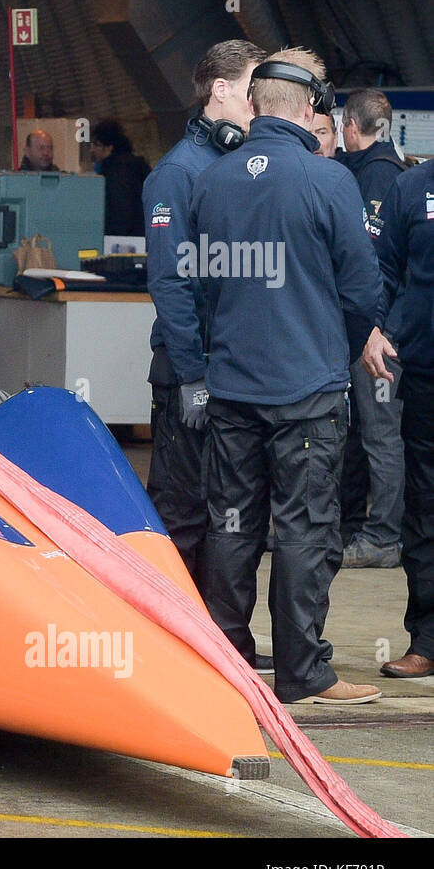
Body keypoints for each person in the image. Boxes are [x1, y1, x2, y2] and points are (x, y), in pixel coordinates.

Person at [190, 47, 381, 705]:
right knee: (304, 527)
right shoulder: (328, 181)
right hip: (307, 387)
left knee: (232, 525)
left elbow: (203, 286)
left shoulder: (212, 180)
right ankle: (304, 672)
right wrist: (340, 346)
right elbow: (362, 290)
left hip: (234, 385)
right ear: (310, 108)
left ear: (253, 104)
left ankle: (227, 660)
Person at [142, 39, 265, 600]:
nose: (257, 106)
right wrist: (192, 376)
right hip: (188, 373)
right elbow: (171, 282)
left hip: (234, 368)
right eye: (249, 93)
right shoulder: (178, 174)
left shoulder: (237, 165)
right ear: (220, 90)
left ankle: (223, 638)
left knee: (231, 515)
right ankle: (178, 638)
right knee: (182, 513)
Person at [362, 154, 434, 677]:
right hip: (426, 372)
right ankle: (427, 641)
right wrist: (375, 328)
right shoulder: (411, 187)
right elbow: (383, 268)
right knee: (425, 511)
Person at [337, 89, 408, 567]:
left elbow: (376, 265)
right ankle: (364, 529)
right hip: (375, 328)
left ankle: (383, 536)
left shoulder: (378, 179)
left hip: (379, 335)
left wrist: (374, 328)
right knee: (366, 433)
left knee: (382, 436)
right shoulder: (383, 174)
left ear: (351, 126)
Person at [89, 119, 151, 237]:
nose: (92, 150)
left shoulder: (112, 172)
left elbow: (120, 211)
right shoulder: (139, 166)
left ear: (109, 148)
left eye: (96, 145)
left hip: (120, 240)